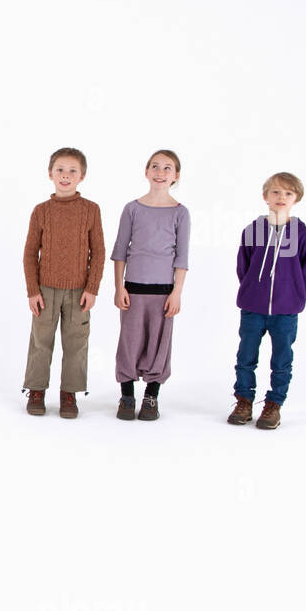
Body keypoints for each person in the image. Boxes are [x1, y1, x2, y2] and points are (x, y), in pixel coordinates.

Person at [21, 147, 105, 418]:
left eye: (72, 171)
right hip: (45, 290)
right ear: (50, 174)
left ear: (82, 176)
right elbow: (30, 253)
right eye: (60, 170)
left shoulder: (91, 210)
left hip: (79, 291)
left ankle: (69, 393)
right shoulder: (41, 211)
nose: (65, 176)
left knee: (76, 343)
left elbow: (99, 252)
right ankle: (36, 390)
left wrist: (92, 288)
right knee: (40, 341)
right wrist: (33, 291)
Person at [228, 172, 306, 429]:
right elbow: (243, 266)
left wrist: (294, 297)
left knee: (281, 360)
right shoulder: (253, 230)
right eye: (276, 192)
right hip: (252, 309)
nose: (281, 197)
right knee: (246, 356)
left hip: (286, 312)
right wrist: (252, 291)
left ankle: (273, 405)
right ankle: (243, 400)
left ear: (296, 199)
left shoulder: (303, 235)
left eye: (288, 193)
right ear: (265, 196)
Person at [111, 149, 189, 421]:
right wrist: (119, 287)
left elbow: (182, 257)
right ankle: (127, 395)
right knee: (130, 342)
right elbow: (120, 250)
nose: (160, 172)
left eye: (167, 168)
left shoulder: (180, 213)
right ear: (146, 172)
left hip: (163, 291)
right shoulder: (132, 209)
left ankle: (151, 396)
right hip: (134, 288)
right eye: (155, 166)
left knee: (159, 343)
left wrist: (176, 292)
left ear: (175, 176)